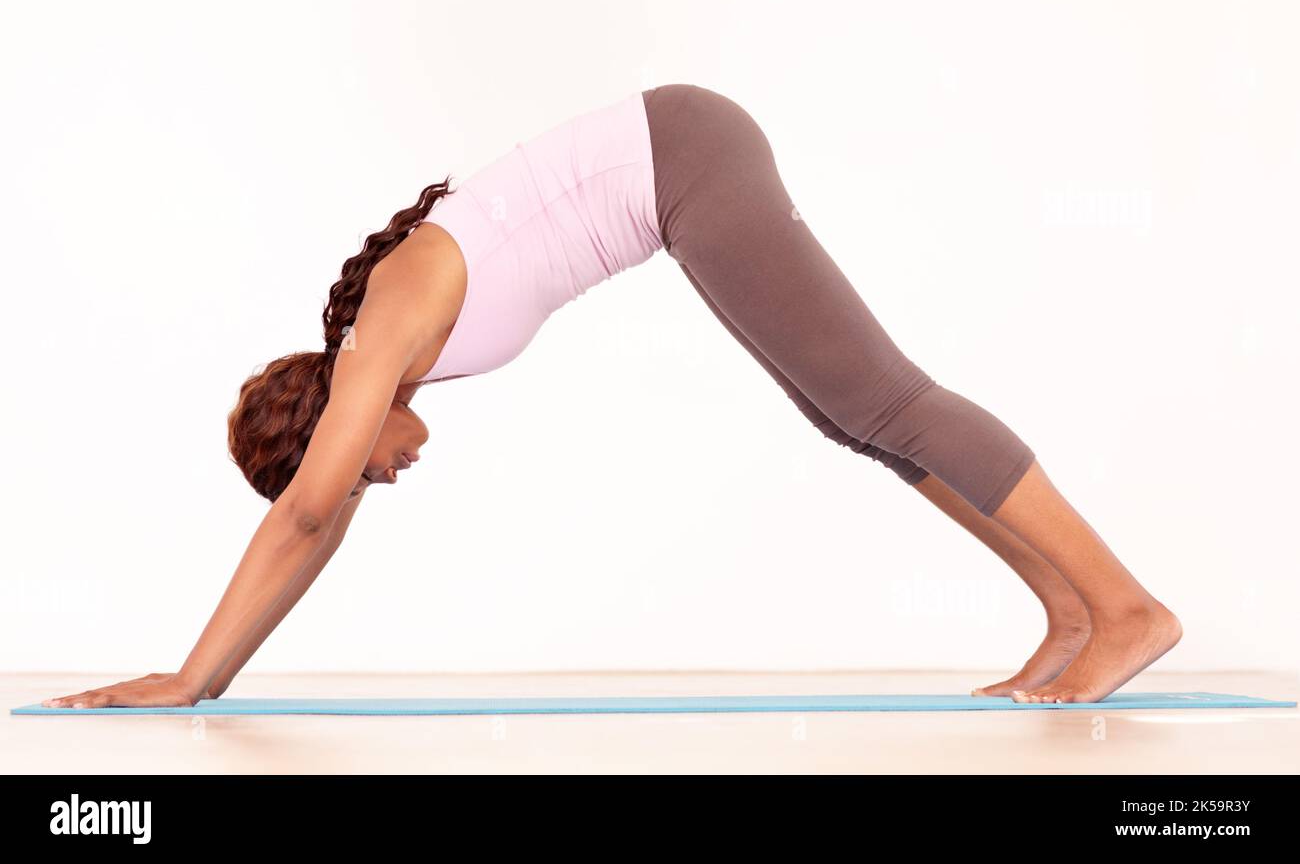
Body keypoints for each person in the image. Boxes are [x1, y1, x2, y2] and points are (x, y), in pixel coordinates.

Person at [42, 84, 1180, 710]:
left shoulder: (381, 325)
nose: (385, 473)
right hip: (682, 162)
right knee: (847, 415)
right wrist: (212, 678)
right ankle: (1070, 614)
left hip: (685, 156)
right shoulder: (383, 356)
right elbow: (321, 515)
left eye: (361, 465)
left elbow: (306, 512)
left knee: (882, 396)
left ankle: (1124, 608)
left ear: (327, 422)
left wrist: (188, 677)